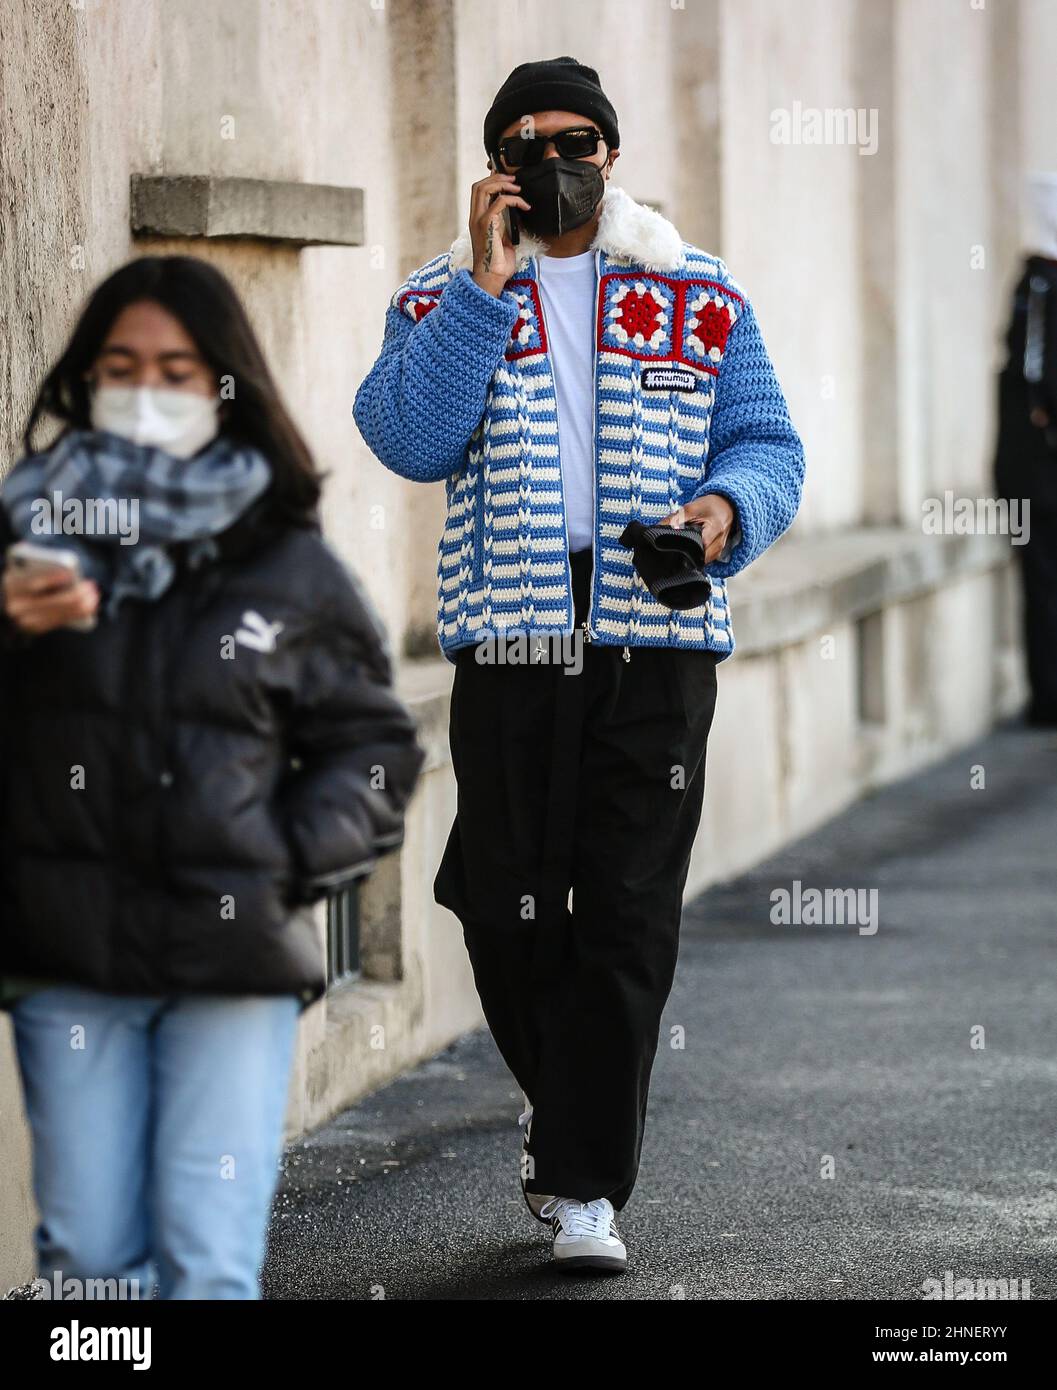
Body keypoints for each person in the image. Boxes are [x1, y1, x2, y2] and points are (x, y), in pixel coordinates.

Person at [354, 57, 804, 1274]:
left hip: (651, 634)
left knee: (623, 909)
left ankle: (583, 1184)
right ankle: (566, 1116)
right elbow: (405, 437)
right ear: (494, 164)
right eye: (523, 140)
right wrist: (483, 289)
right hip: (510, 631)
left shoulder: (695, 290)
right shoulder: (436, 300)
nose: (553, 158)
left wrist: (718, 515)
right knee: (500, 902)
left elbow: (768, 442)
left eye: (576, 140)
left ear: (611, 152)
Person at [0, 255, 424, 1299]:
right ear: (82, 378)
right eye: (122, 364)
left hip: (228, 951)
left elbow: (372, 746)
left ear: (227, 387)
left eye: (179, 371)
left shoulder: (286, 566)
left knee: (206, 1263)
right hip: (66, 948)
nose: (146, 391)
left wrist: (283, 859)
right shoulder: (24, 539)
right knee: (88, 1266)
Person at [994, 174, 1057, 727]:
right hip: (1033, 476)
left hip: (1037, 472)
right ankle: (1047, 697)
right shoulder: (1038, 284)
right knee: (1040, 579)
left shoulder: (1039, 285)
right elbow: (1033, 375)